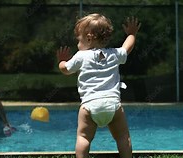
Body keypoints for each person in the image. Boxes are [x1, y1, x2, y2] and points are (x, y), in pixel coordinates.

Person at [56, 13, 141, 158]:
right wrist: (132, 34)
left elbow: (66, 70)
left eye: (79, 40)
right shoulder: (114, 54)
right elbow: (127, 48)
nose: (78, 43)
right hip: (113, 105)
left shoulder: (81, 56)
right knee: (123, 137)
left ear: (88, 38)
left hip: (89, 105)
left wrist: (62, 61)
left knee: (83, 138)